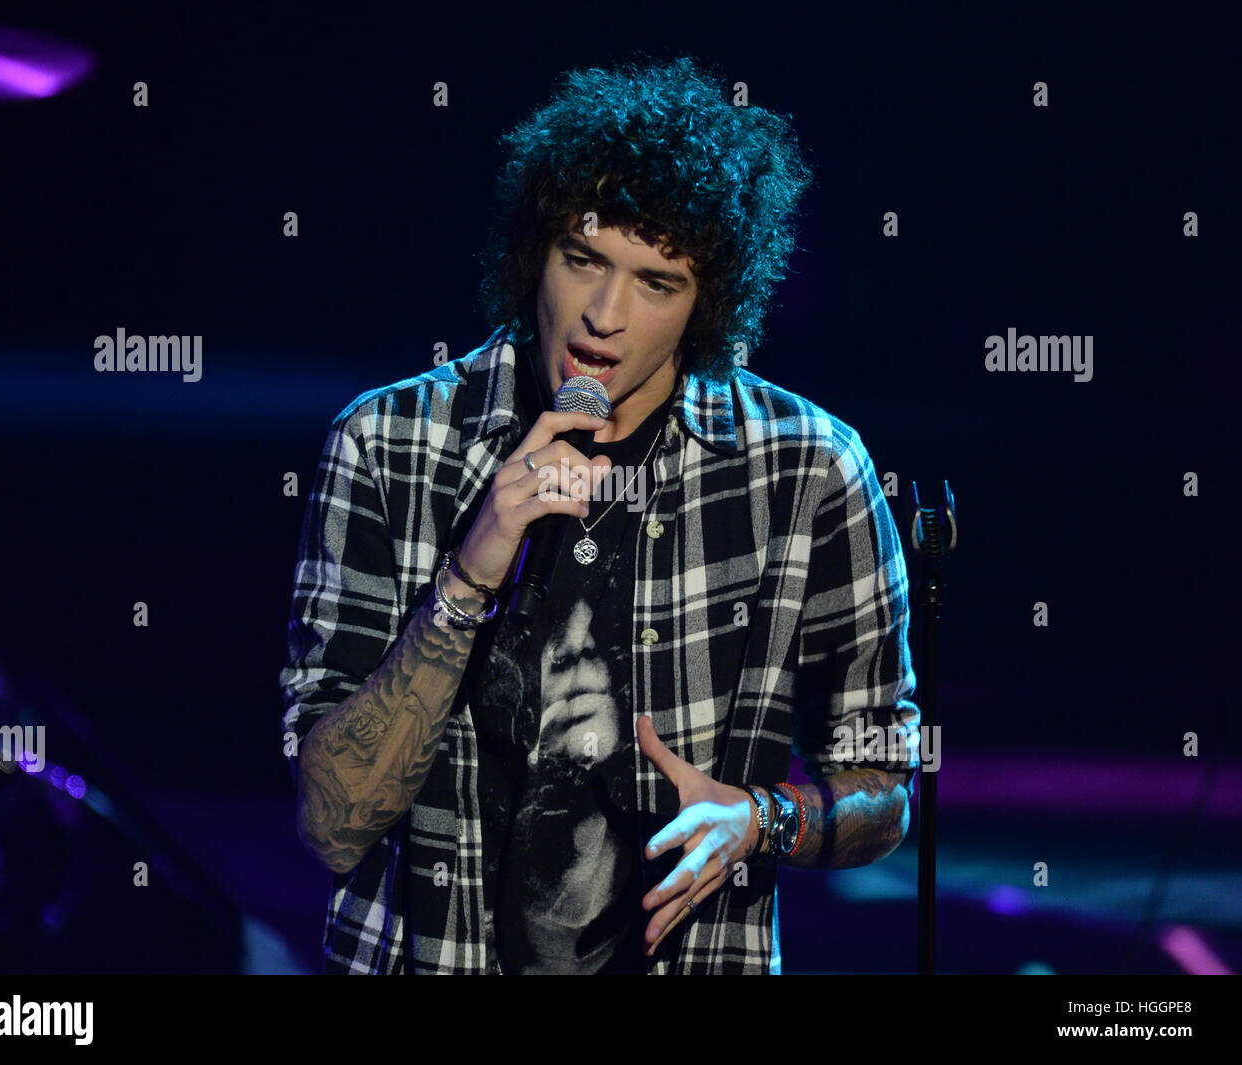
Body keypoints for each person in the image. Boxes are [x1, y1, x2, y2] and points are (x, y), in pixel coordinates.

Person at [279, 55, 921, 974]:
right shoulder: (390, 444)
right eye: (582, 260)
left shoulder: (809, 469)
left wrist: (763, 819)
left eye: (657, 281)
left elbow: (884, 787)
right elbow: (330, 826)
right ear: (535, 250)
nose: (604, 316)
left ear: (708, 304)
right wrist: (469, 575)